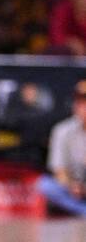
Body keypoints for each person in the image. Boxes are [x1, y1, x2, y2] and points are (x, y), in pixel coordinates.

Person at [37, 82, 86, 218]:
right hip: (74, 187)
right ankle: (82, 211)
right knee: (46, 185)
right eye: (81, 102)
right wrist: (73, 186)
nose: (84, 107)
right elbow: (59, 169)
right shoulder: (62, 130)